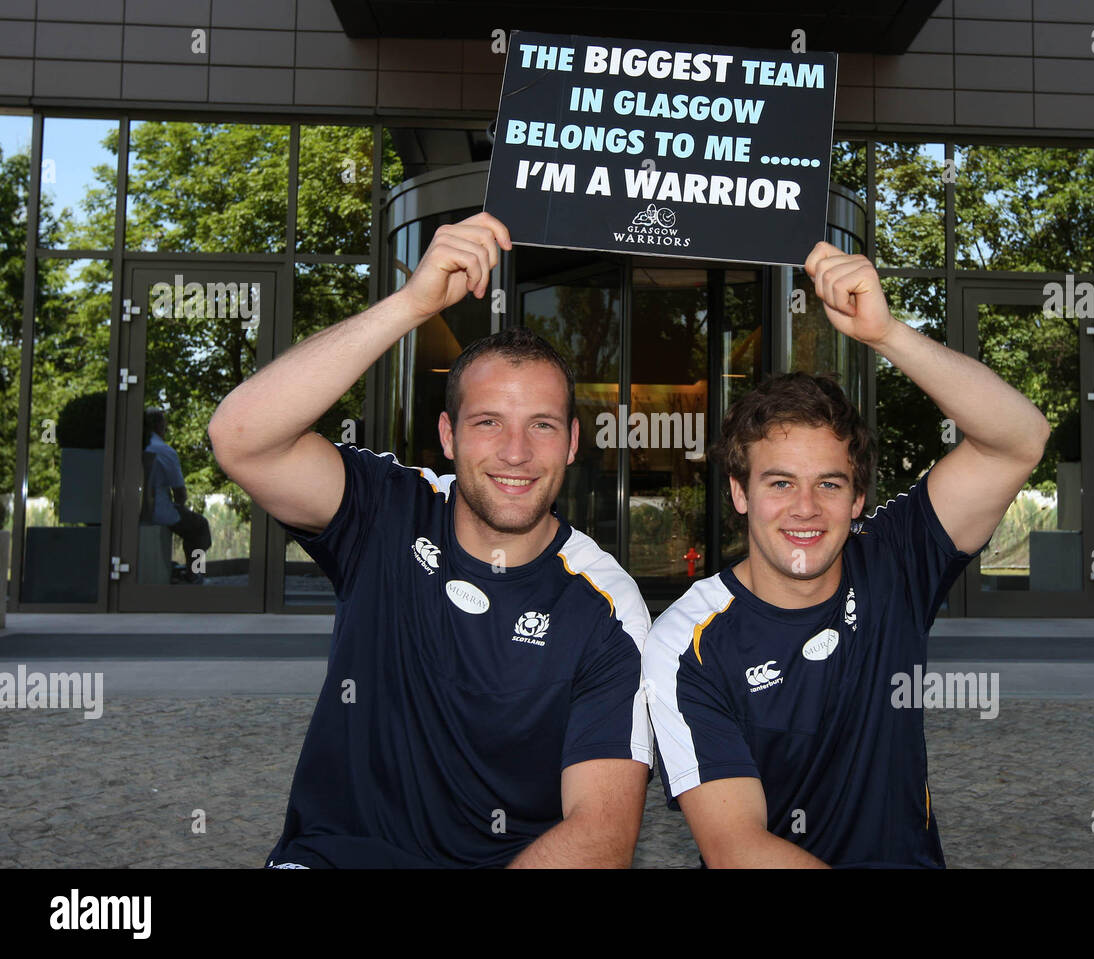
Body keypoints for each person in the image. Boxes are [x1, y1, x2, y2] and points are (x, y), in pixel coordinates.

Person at [208, 212, 652, 868]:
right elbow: (239, 438)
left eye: (542, 426)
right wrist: (410, 304)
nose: (515, 452)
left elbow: (602, 833)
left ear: (574, 444)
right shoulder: (390, 508)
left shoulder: (604, 605)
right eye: (488, 422)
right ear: (447, 436)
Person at [643, 241, 1050, 867]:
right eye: (780, 483)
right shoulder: (686, 643)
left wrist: (886, 334)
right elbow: (737, 848)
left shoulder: (892, 563)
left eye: (829, 484)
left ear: (858, 496)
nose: (805, 508)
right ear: (739, 493)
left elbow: (1019, 439)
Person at [143, 408, 212, 584]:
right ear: (159, 425)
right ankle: (195, 572)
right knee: (199, 527)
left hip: (136, 510)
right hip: (159, 511)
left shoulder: (138, 447)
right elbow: (179, 492)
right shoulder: (164, 451)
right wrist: (180, 507)